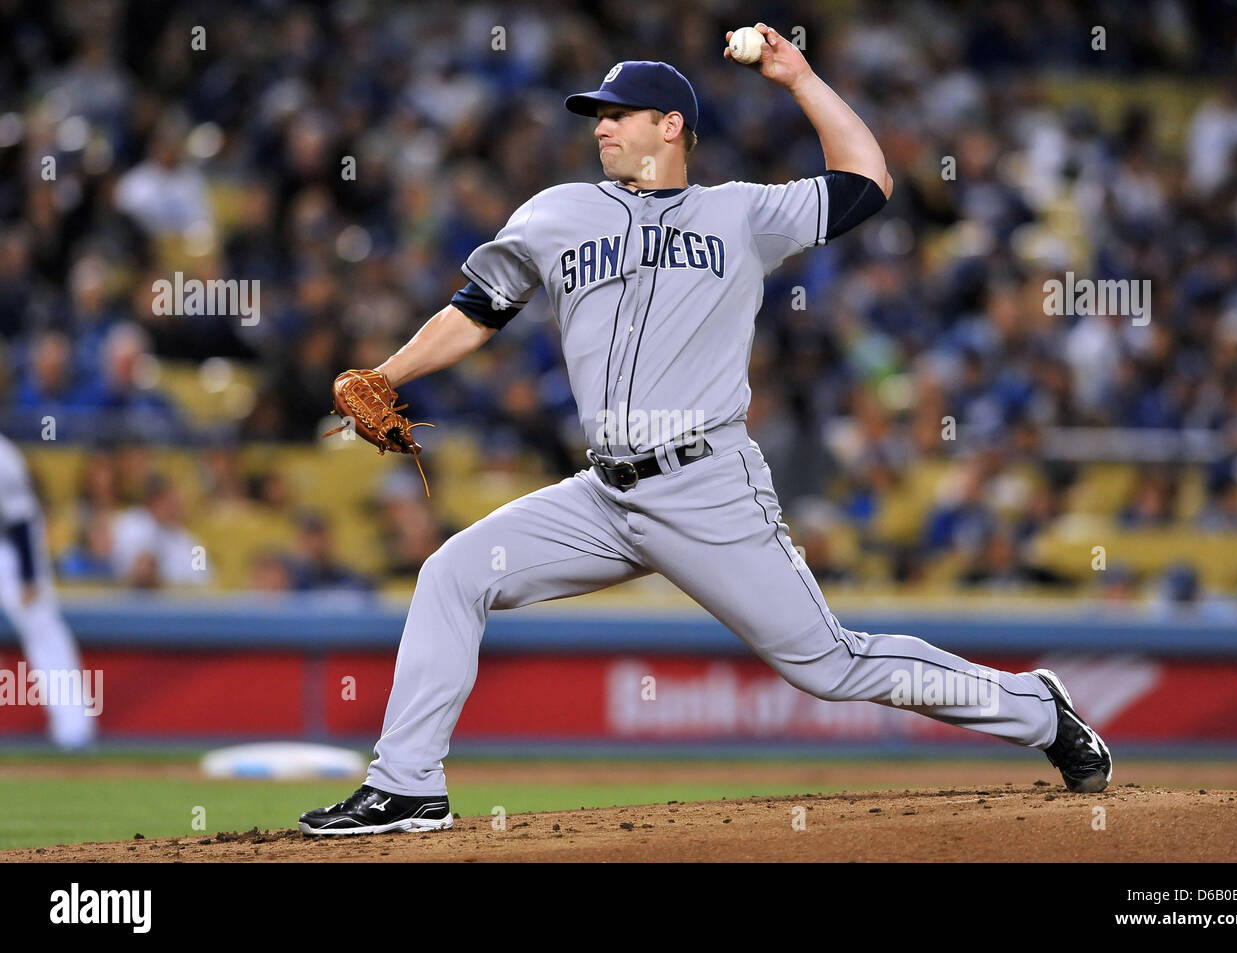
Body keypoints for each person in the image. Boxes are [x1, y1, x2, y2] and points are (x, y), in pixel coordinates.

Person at [301, 26, 1110, 836]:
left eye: (620, 112)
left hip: (708, 486)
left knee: (829, 664)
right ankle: (407, 783)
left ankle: (1035, 708)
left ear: (672, 126)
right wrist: (390, 374)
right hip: (602, 494)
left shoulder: (741, 214)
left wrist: (798, 77)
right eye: (597, 114)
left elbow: (867, 180)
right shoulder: (556, 213)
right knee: (452, 574)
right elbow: (477, 311)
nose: (602, 126)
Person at [0, 433, 96, 749]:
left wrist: (28, 577)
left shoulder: (4, 455)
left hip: (11, 550)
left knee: (43, 631)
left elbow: (21, 520)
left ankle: (74, 727)